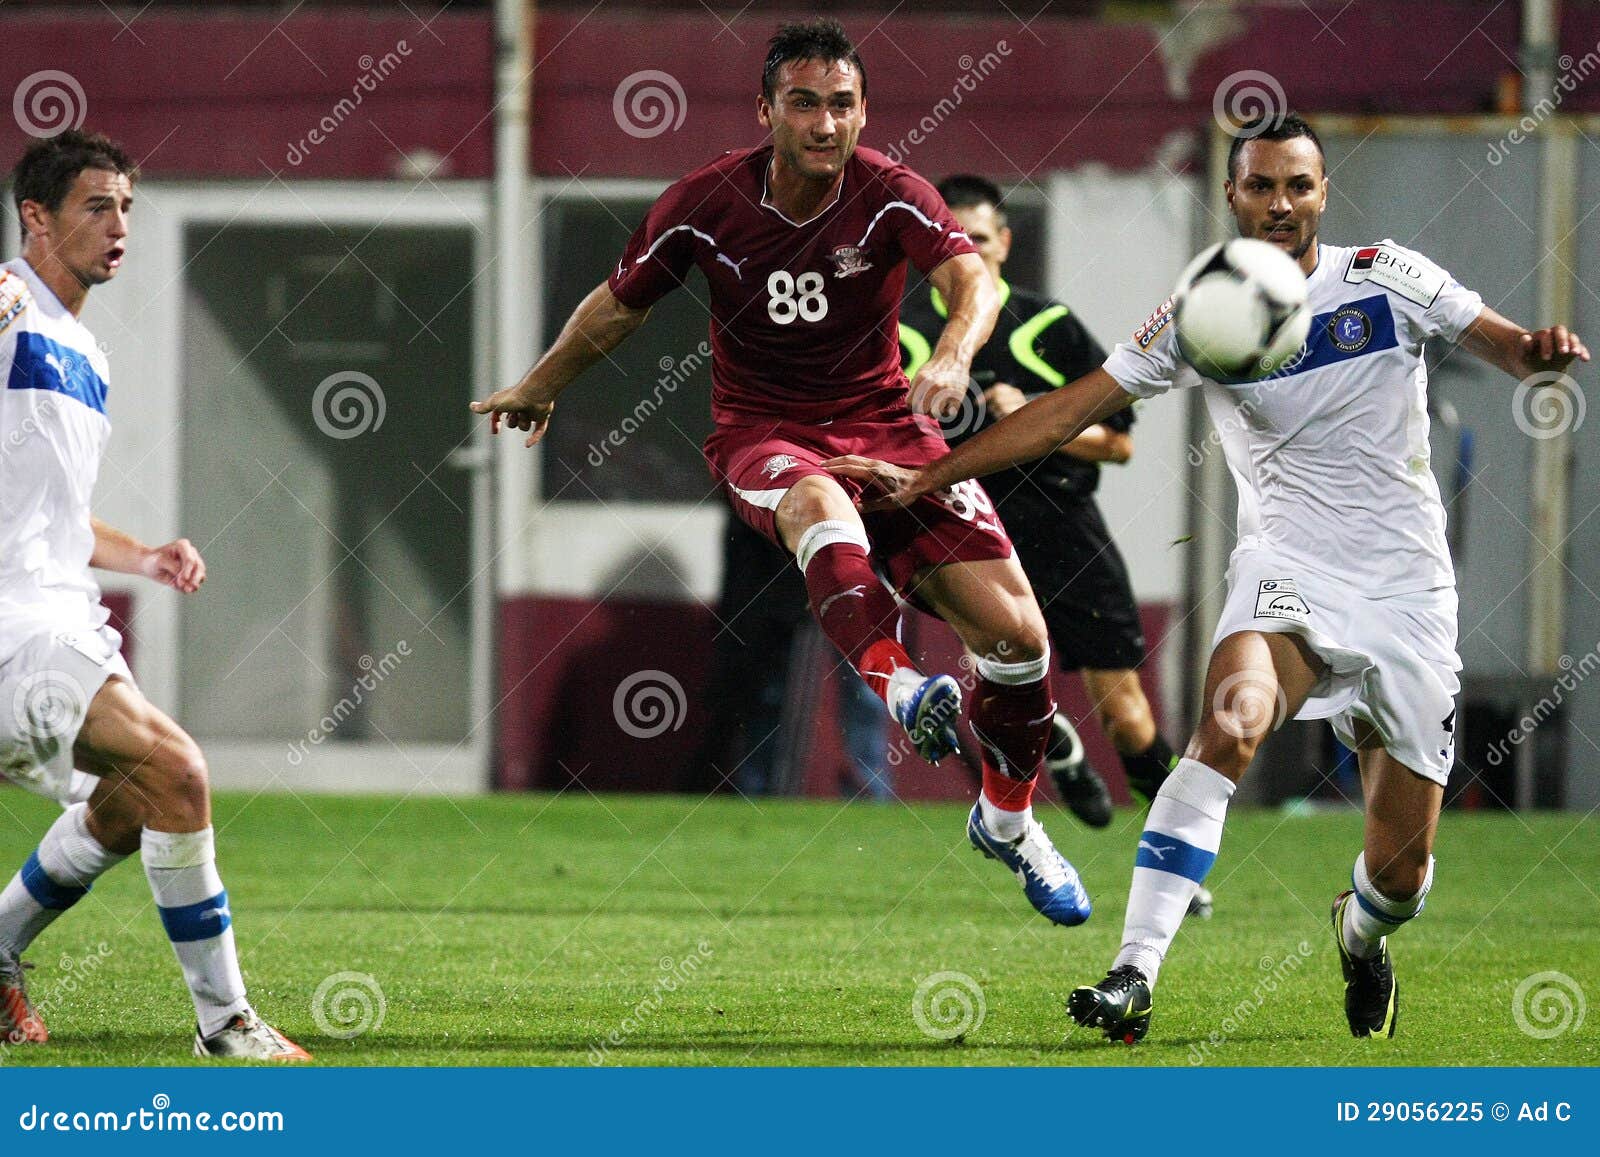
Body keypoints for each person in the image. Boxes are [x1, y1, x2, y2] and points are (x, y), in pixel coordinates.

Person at [826, 113, 1588, 1041]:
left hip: (1409, 593)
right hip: (1289, 567)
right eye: (1259, 185)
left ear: (1321, 192)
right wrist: (935, 473)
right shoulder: (1202, 313)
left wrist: (1537, 353)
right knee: (1229, 718)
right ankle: (1132, 973)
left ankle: (1358, 934)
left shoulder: (1387, 277)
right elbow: (1075, 409)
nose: (1279, 204)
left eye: (1297, 185)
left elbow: (1502, 341)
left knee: (1401, 877)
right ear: (1230, 194)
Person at [471, 20, 1090, 924]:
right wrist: (539, 384)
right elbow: (618, 307)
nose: (825, 122)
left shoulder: (889, 192)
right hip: (764, 432)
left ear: (863, 112)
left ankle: (1009, 822)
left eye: (842, 104)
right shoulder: (706, 201)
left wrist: (953, 355)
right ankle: (902, 686)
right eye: (804, 103)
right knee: (816, 504)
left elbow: (973, 279)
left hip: (890, 430)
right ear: (767, 111)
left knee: (1021, 642)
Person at [0, 131, 308, 1059]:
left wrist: (146, 557)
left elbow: (56, 512)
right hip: (14, 623)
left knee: (132, 802)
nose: (119, 224)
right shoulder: (9, 304)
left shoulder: (83, 349)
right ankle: (227, 1025)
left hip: (54, 607)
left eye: (127, 206)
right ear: (36, 218)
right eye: (98, 206)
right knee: (176, 771)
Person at [901, 175, 1211, 917]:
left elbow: (1119, 445)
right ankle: (1040, 765)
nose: (967, 250)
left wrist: (1035, 414)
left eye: (980, 237)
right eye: (954, 239)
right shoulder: (906, 334)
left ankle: (1178, 860)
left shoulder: (1048, 325)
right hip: (963, 533)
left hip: (1064, 532)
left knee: (1130, 715)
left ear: (1003, 243)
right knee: (971, 695)